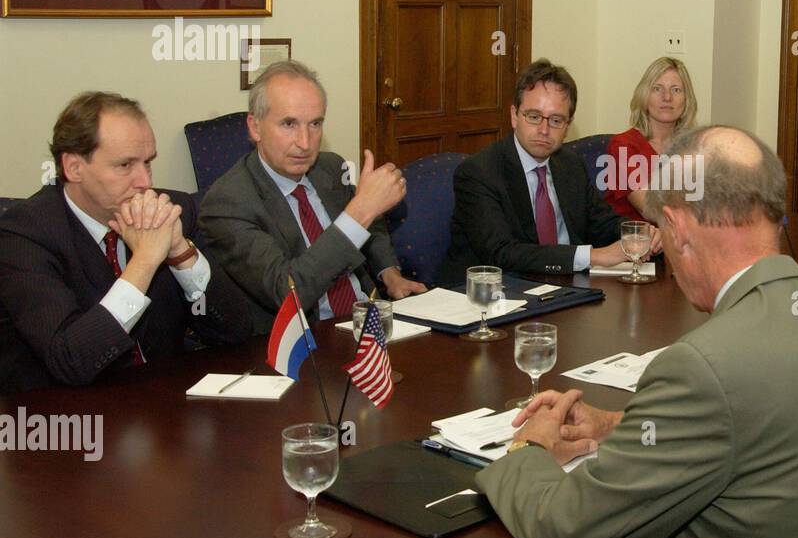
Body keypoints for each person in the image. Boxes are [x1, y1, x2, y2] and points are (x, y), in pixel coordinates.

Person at [477, 126, 798, 538]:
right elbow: (769, 422)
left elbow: (565, 529)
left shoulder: (701, 366)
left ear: (678, 228)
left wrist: (529, 449)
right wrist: (620, 425)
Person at [0, 92, 251, 392]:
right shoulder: (24, 233)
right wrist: (144, 262)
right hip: (65, 421)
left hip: (163, 406)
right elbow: (70, 361)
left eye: (147, 163)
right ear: (73, 167)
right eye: (124, 165)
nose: (144, 181)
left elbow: (236, 333)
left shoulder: (173, 209)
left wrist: (180, 254)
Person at [198, 60, 425, 335]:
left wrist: (389, 274)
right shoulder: (228, 202)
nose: (305, 143)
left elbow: (368, 226)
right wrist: (361, 211)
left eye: (315, 124)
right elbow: (287, 292)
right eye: (289, 124)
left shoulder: (330, 168)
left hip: (370, 320)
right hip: (306, 340)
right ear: (255, 127)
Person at [440, 60, 651, 282]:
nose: (543, 130)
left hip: (566, 288)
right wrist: (592, 256)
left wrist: (639, 234)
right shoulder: (479, 172)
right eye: (533, 116)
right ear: (514, 116)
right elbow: (501, 252)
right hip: (496, 295)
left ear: (567, 126)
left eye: (556, 120)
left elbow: (599, 221)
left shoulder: (570, 164)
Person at [602, 56, 698, 221]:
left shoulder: (693, 148)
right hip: (634, 241)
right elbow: (652, 211)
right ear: (644, 96)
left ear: (686, 100)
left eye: (676, 90)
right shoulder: (623, 146)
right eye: (657, 89)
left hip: (682, 238)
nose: (667, 97)